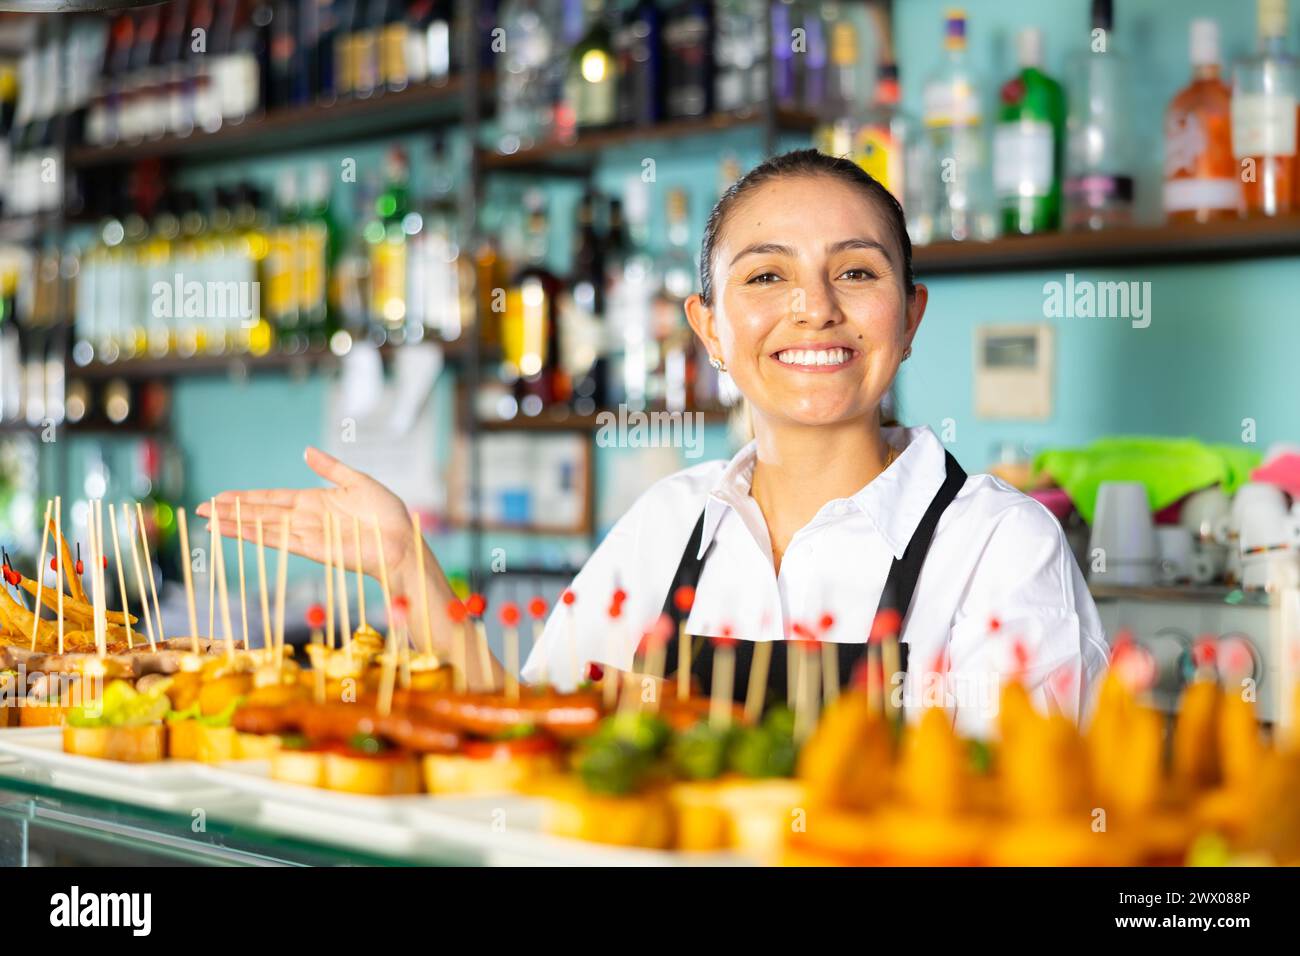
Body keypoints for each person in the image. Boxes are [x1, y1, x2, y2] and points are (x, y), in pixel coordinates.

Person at [200, 149, 1107, 737]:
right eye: (767, 276)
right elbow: (536, 724)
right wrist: (409, 564)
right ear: (709, 330)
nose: (814, 308)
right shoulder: (671, 524)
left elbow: (1025, 822)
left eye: (857, 272)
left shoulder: (998, 548)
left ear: (907, 317)